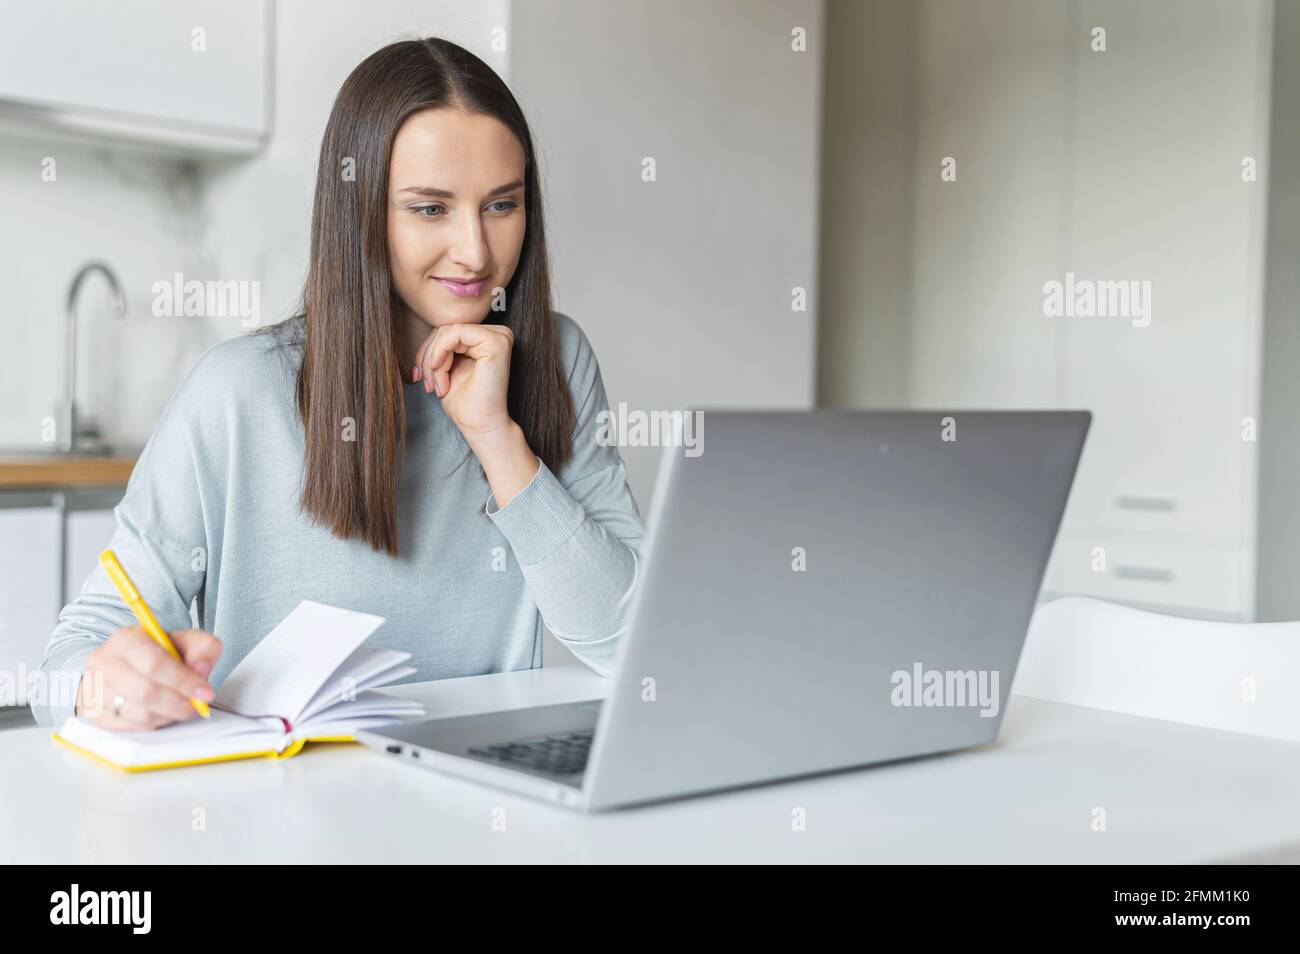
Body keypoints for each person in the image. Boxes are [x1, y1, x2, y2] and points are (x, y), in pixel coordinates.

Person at [31, 37, 644, 730]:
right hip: (278, 810)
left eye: (501, 205)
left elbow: (632, 645)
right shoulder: (236, 393)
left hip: (481, 799)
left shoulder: (556, 357)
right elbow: (63, 664)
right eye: (429, 208)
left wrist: (499, 441)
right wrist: (104, 685)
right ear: (360, 216)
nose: (476, 251)